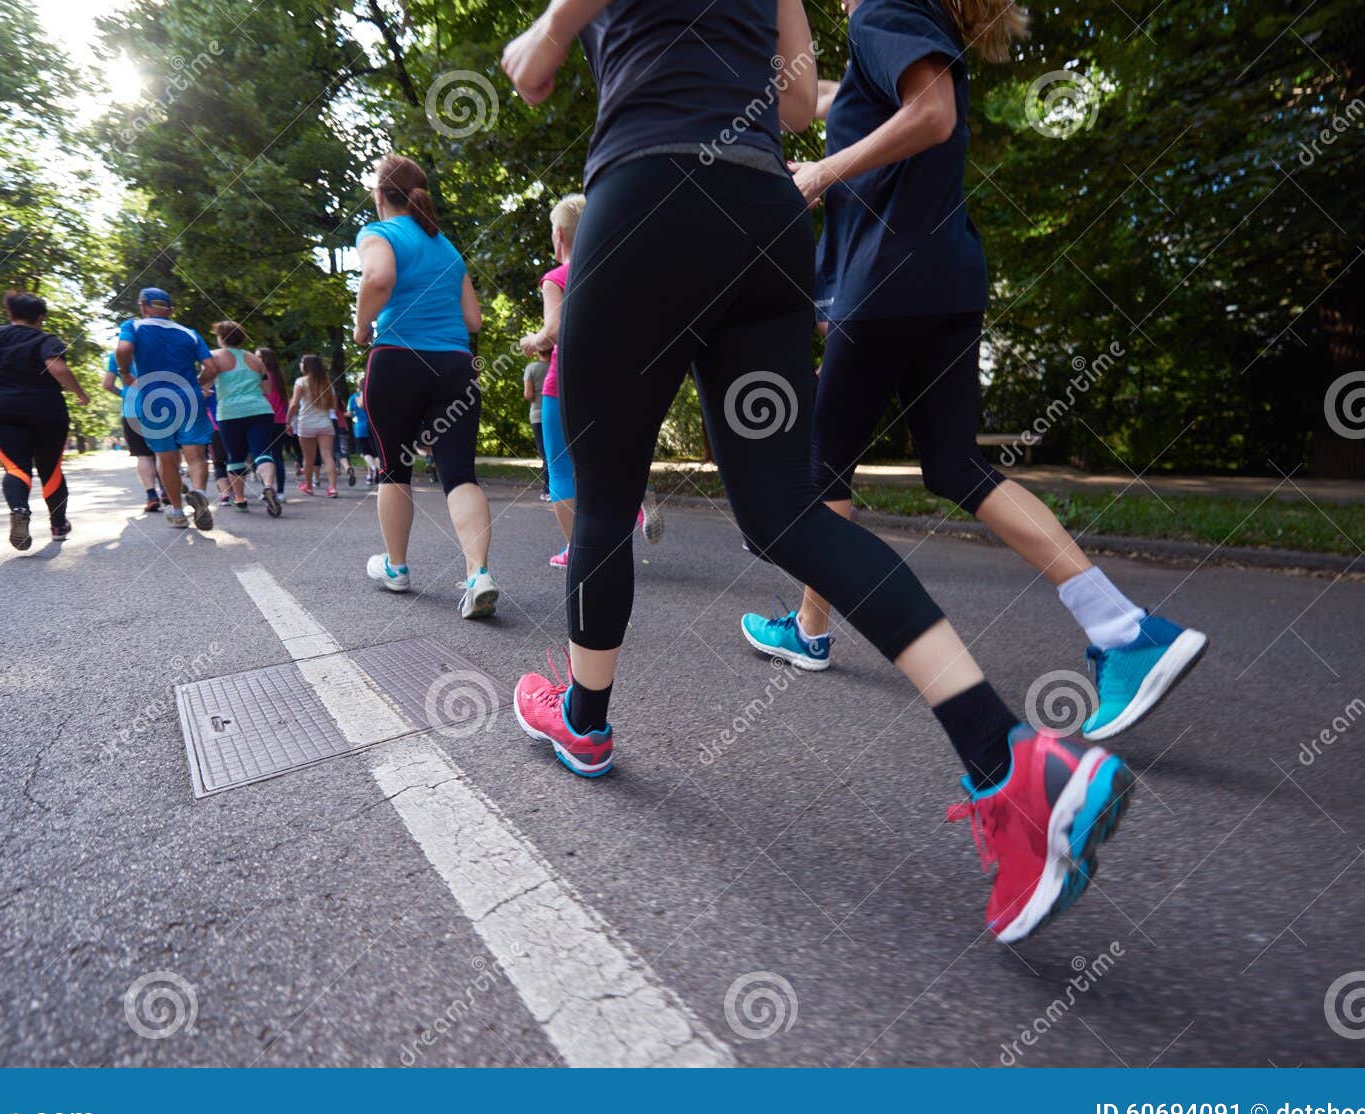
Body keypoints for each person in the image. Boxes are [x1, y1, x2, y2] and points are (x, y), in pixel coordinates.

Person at [503, 0, 1134, 944]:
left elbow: (530, 71)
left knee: (605, 499)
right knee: (787, 508)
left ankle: (584, 722)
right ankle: (1007, 756)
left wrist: (547, 36)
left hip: (647, 200)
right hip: (762, 218)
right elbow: (796, 103)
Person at [738, 0, 1207, 742]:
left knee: (819, 470)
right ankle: (1123, 628)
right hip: (944, 275)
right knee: (955, 466)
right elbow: (838, 101)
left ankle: (811, 632)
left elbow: (931, 114)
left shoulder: (882, 11)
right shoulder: (903, 30)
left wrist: (825, 169)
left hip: (891, 279)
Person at [354, 153, 497, 620]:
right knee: (459, 473)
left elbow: (378, 277)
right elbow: (473, 319)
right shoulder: (447, 247)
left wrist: (361, 327)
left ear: (379, 194)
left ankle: (396, 568)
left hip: (397, 360)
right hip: (456, 365)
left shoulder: (379, 233)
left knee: (395, 469)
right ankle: (478, 574)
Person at [521, 193, 663, 569]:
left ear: (558, 236)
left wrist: (532, 341)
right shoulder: (617, 274)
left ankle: (581, 554)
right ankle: (634, 506)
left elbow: (553, 330)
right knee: (606, 465)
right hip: (614, 383)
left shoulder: (557, 277)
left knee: (563, 469)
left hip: (564, 386)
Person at [0, 290, 89, 550]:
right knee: (51, 469)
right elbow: (57, 367)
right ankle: (58, 525)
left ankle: (19, 509)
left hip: (0, 409)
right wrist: (79, 392)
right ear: (40, 317)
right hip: (46, 409)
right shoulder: (45, 338)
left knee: (16, 468)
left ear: (10, 314)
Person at [114, 287, 215, 531]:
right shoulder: (189, 333)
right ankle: (199, 492)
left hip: (152, 399)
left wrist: (125, 372)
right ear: (170, 310)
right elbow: (211, 367)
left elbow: (124, 349)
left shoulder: (134, 327)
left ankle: (178, 512)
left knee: (166, 457)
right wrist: (195, 384)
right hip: (188, 397)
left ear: (142, 306)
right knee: (196, 455)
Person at [204, 321, 283, 517]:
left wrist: (203, 390)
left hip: (230, 413)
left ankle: (240, 499)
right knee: (263, 452)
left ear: (221, 337)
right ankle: (268, 486)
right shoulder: (256, 361)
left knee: (236, 457)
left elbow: (205, 382)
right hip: (261, 410)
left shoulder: (214, 356)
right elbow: (267, 390)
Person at [100, 349, 160, 511]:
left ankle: (152, 495)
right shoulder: (155, 349)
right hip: (160, 406)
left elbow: (107, 384)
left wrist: (124, 394)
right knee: (162, 451)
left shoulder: (116, 355)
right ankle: (168, 491)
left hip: (132, 409)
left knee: (143, 455)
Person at [289, 354, 339, 497]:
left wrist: (288, 421)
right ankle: (332, 488)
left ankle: (309, 486)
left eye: (301, 362)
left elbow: (293, 404)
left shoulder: (300, 382)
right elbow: (334, 407)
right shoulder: (327, 383)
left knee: (308, 458)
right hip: (325, 423)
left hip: (306, 423)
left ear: (306, 366)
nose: (300, 364)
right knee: (327, 455)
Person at [256, 346, 291, 500]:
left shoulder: (262, 376)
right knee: (277, 457)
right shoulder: (279, 377)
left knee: (264, 456)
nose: (255, 359)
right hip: (280, 421)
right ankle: (281, 492)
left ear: (265, 359)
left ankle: (267, 488)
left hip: (265, 419)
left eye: (258, 357)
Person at [523, 358, 551, 500]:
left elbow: (528, 395)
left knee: (545, 453)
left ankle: (547, 490)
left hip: (538, 414)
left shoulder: (531, 368)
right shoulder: (556, 366)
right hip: (556, 412)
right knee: (557, 451)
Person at [344, 385, 372, 486]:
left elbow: (349, 413)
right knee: (373, 453)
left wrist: (342, 414)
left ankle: (373, 469)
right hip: (373, 427)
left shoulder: (353, 398)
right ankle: (370, 475)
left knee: (365, 452)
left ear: (358, 387)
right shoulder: (371, 394)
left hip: (360, 428)